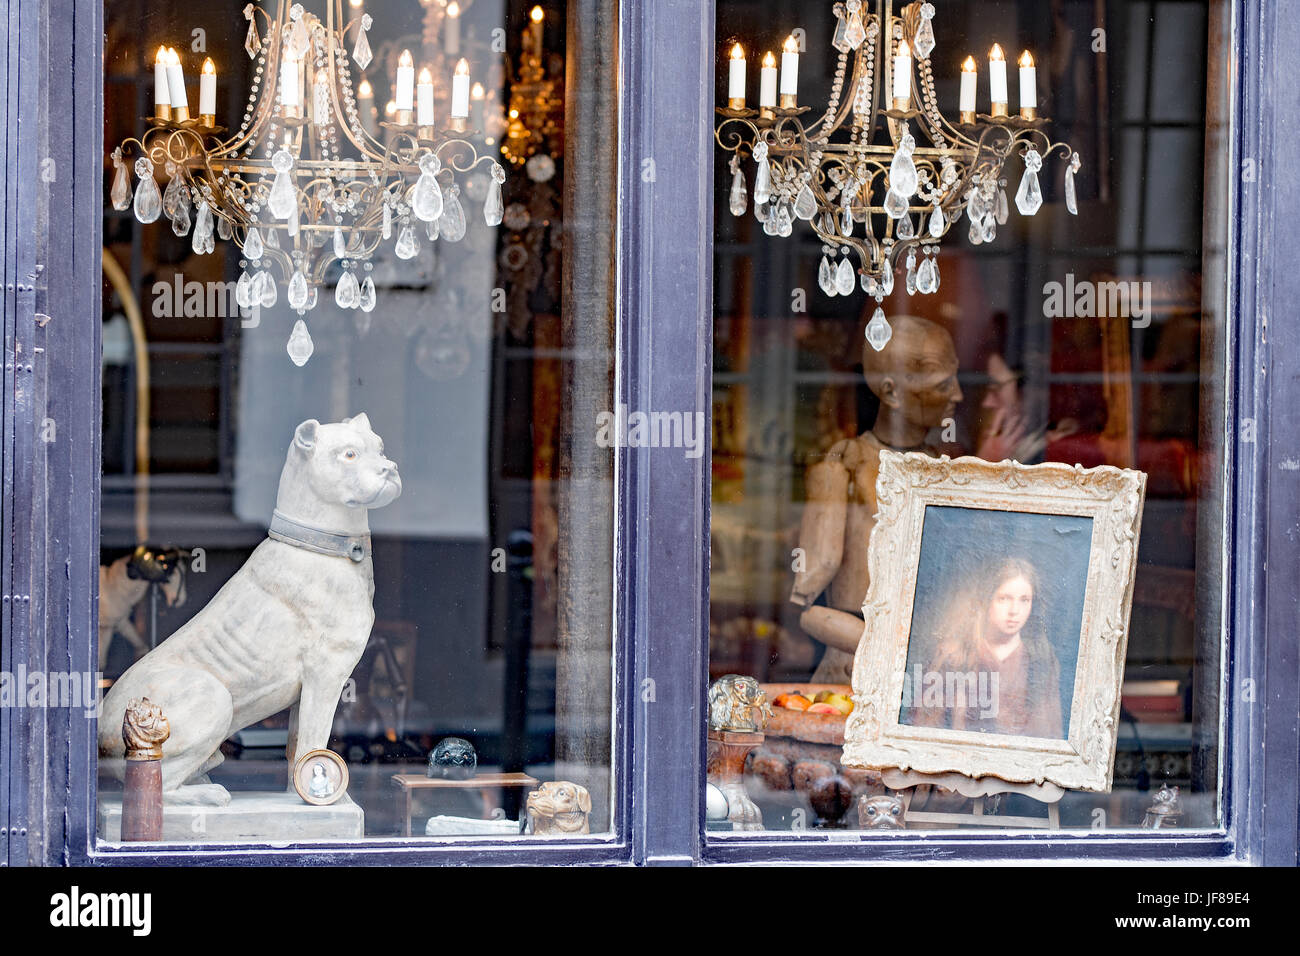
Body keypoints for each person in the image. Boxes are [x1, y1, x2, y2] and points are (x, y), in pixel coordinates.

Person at [791, 315, 964, 683]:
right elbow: (805, 608)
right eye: (943, 383)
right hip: (856, 671)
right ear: (891, 392)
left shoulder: (944, 469)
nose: (958, 395)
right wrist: (892, 647)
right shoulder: (844, 466)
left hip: (930, 673)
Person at [913, 557, 1064, 738]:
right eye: (1004, 598)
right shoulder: (954, 656)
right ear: (987, 600)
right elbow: (924, 730)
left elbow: (1051, 736)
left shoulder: (1041, 662)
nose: (1014, 610)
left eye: (1024, 600)